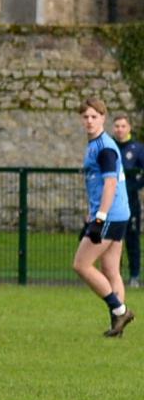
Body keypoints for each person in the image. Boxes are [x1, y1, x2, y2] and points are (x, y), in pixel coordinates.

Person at [74, 98, 134, 337]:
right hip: (118, 214)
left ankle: (120, 310)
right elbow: (99, 183)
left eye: (94, 117)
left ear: (103, 118)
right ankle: (117, 327)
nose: (89, 121)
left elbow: (110, 184)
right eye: (85, 117)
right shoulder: (98, 144)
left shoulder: (104, 147)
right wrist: (93, 212)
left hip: (110, 215)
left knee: (81, 265)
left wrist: (99, 219)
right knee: (110, 270)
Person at [111, 113, 144, 288]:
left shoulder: (137, 149)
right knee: (112, 239)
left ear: (129, 128)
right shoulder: (109, 147)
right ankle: (113, 274)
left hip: (130, 202)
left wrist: (134, 187)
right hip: (111, 202)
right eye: (117, 126)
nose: (120, 129)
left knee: (132, 238)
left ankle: (134, 275)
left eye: (123, 126)